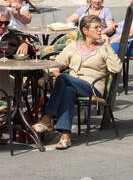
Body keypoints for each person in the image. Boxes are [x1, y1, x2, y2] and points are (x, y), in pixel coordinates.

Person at [33, 14, 121, 150]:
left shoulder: (103, 49)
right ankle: (65, 135)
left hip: (92, 87)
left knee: (63, 79)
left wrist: (108, 46)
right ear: (85, 31)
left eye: (101, 27)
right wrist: (56, 72)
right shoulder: (73, 46)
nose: (100, 30)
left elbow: (116, 68)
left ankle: (47, 117)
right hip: (71, 84)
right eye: (96, 27)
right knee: (68, 90)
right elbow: (56, 64)